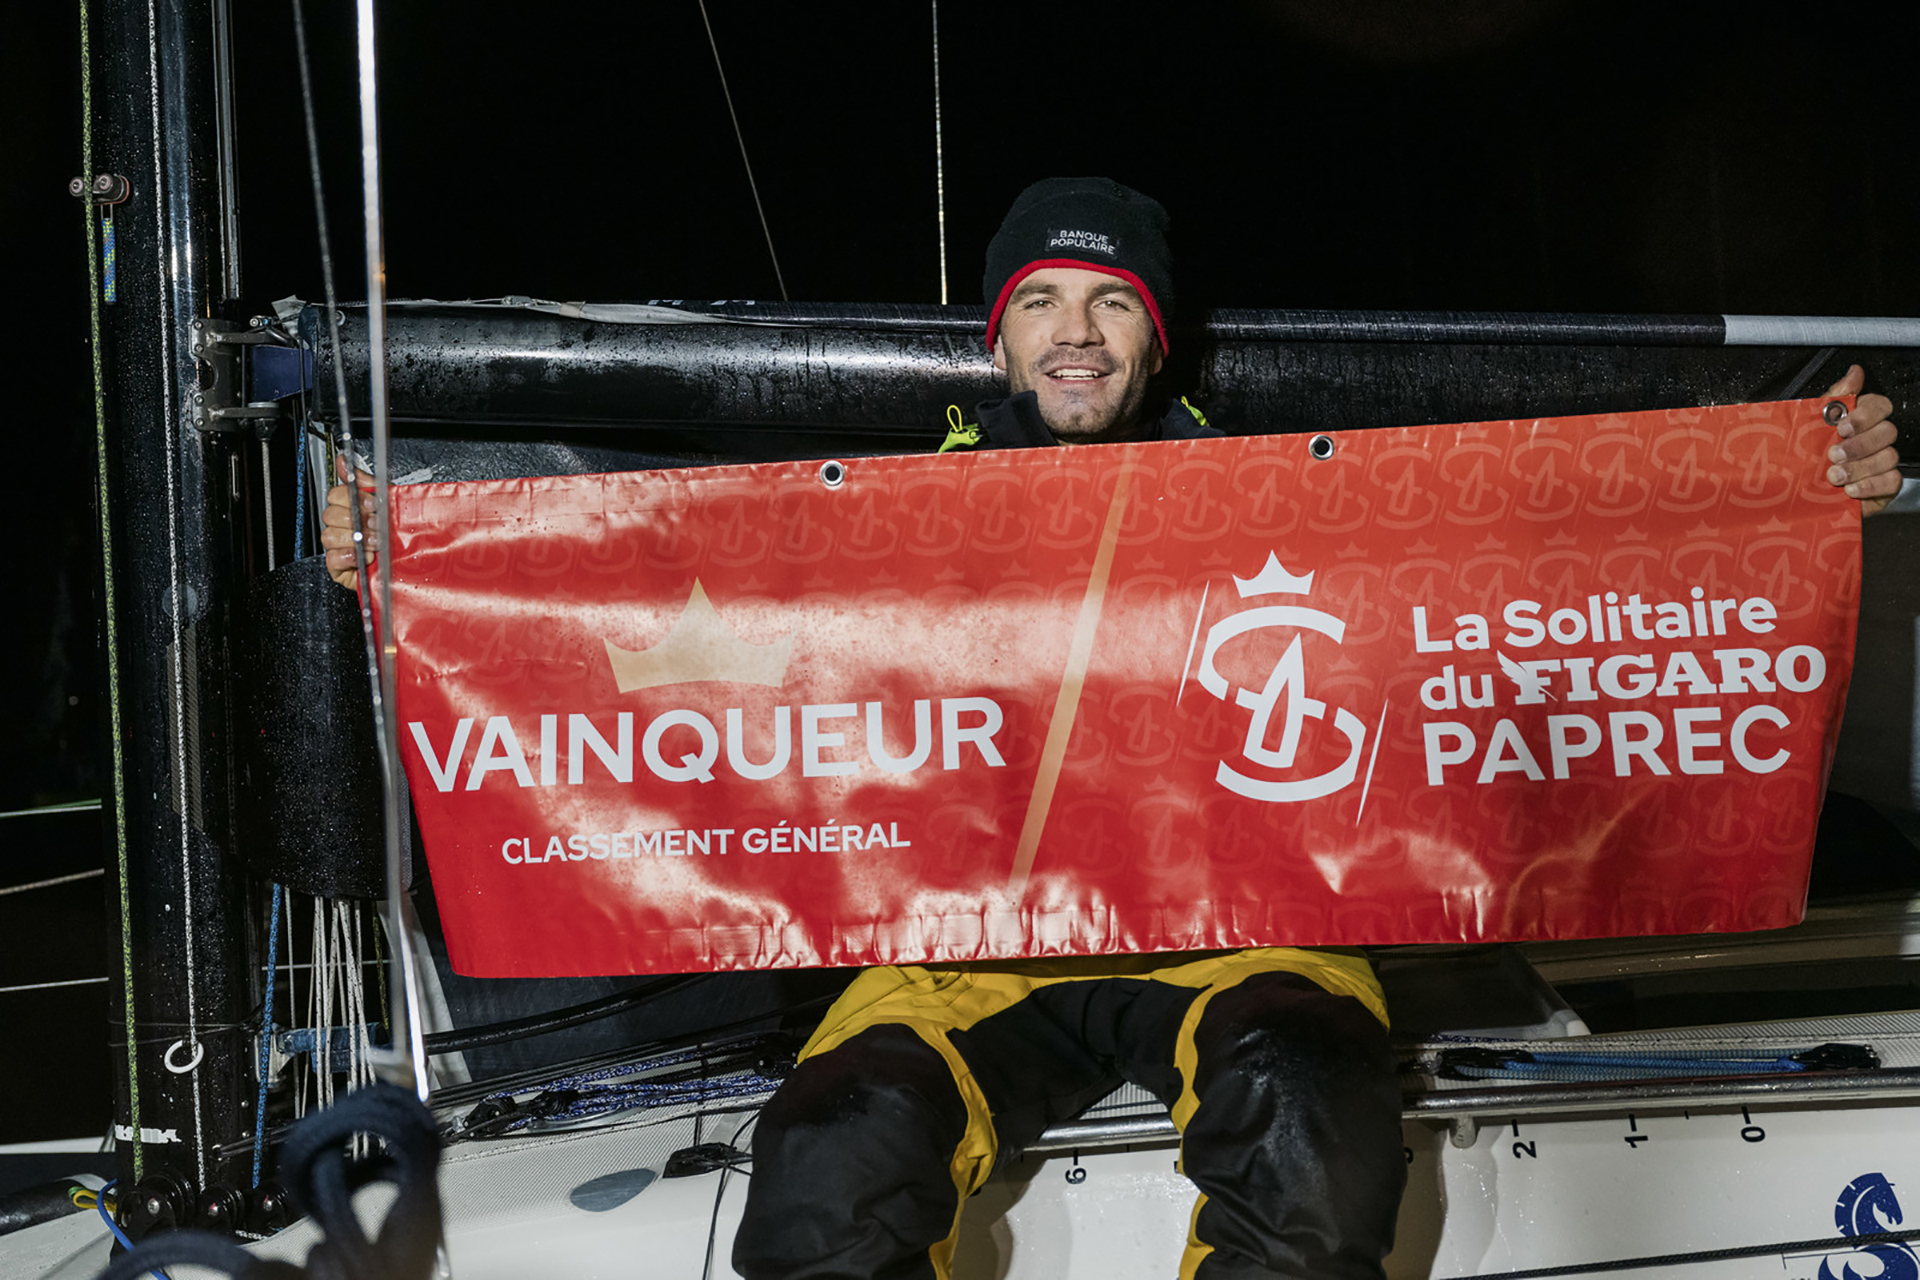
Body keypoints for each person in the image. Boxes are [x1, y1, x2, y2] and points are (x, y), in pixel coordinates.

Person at [322, 178, 1902, 1280]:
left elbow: (1542, 544)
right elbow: (620, 587)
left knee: (1307, 1106)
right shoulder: (880, 511)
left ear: (1155, 336)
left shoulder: (1290, 488)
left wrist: (1800, 477)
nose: (1077, 334)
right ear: (997, 337)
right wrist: (416, 555)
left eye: (1111, 304)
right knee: (826, 1159)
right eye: (1044, 303)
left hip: (1231, 920)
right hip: (965, 944)